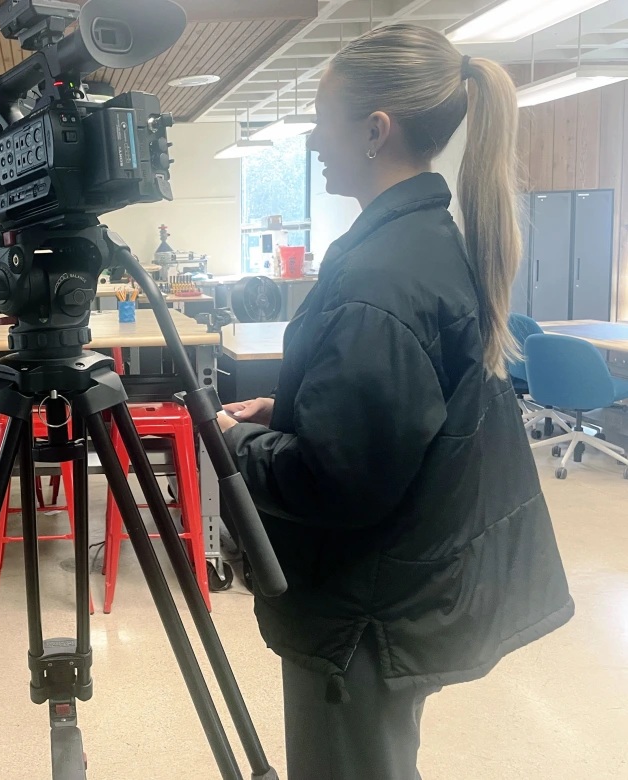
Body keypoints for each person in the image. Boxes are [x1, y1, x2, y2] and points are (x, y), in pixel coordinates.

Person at [217, 24, 573, 780]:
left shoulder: (380, 278)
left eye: (323, 119)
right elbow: (403, 418)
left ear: (376, 130)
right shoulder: (417, 244)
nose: (314, 138)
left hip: (362, 609)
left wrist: (238, 447)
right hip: (397, 585)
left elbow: (337, 483)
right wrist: (288, 415)